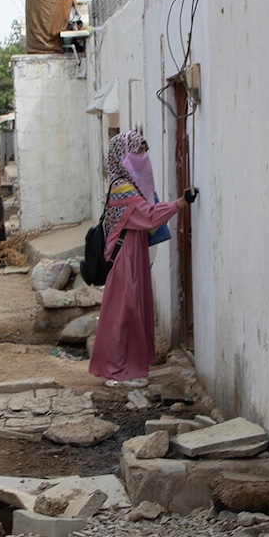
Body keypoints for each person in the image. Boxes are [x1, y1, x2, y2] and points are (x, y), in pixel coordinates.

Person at [89, 130, 197, 388]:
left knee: (130, 310)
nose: (143, 158)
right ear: (123, 156)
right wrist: (181, 203)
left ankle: (128, 366)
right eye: (137, 152)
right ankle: (120, 370)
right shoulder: (123, 189)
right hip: (126, 257)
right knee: (126, 313)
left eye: (143, 152)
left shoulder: (127, 185)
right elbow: (149, 216)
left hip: (133, 254)